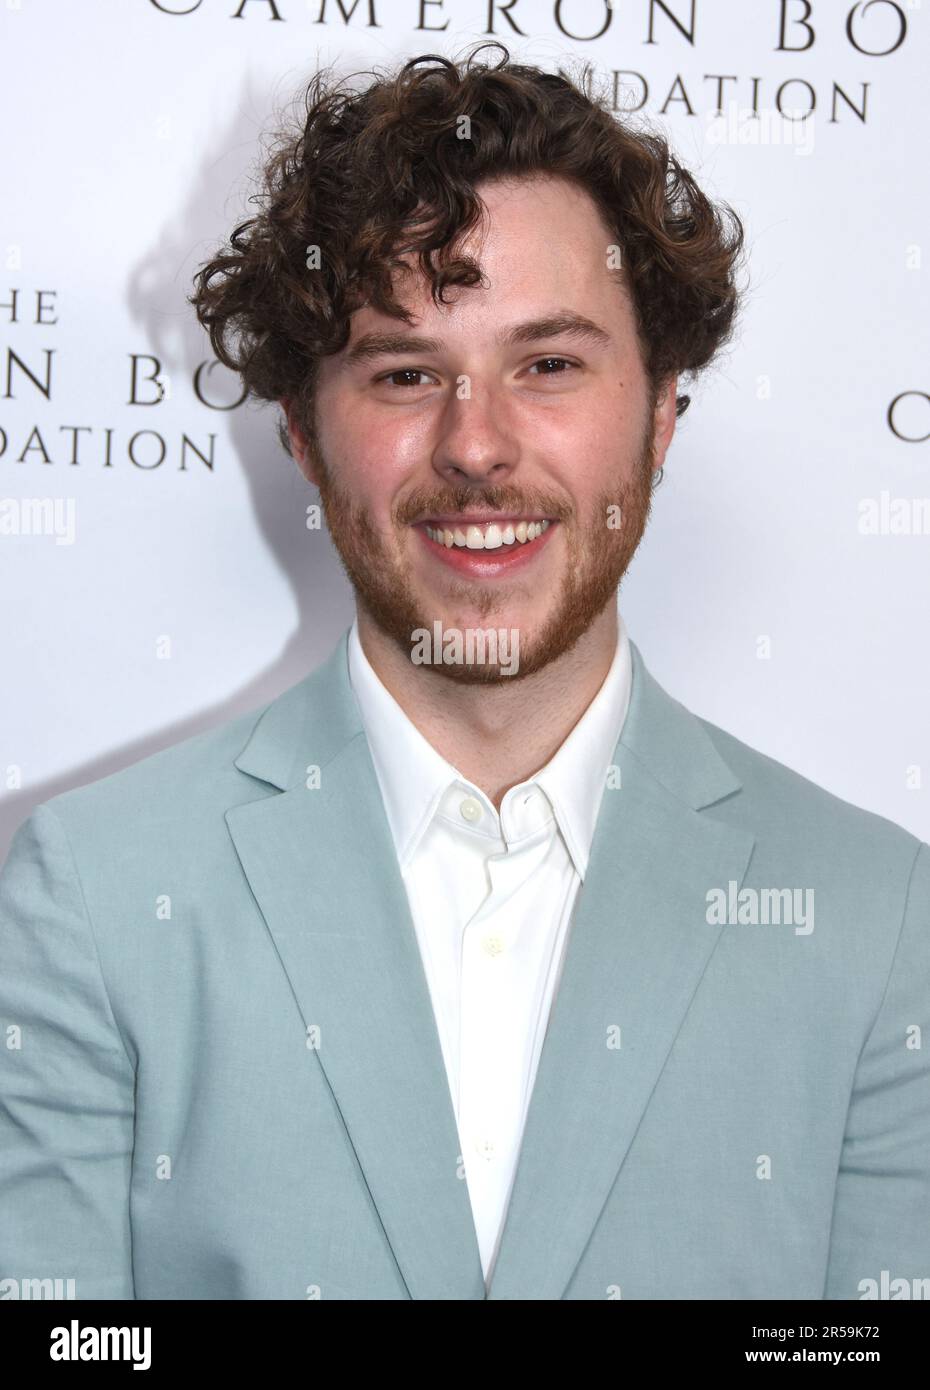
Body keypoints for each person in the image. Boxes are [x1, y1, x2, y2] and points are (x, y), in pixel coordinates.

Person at [1, 42, 927, 1302]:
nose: (476, 445)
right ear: (306, 440)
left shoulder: (878, 922)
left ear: (660, 417)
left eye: (548, 364)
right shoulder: (94, 899)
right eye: (404, 374)